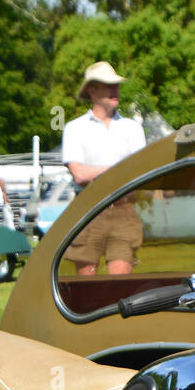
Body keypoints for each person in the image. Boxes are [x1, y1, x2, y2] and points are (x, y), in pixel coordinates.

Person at [61, 61, 147, 275]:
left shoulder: (133, 128)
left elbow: (141, 172)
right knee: (87, 285)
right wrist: (119, 170)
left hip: (124, 209)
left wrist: (98, 172)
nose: (115, 90)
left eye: (116, 85)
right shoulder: (74, 129)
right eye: (109, 85)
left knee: (119, 285)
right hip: (88, 210)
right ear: (92, 90)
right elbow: (79, 175)